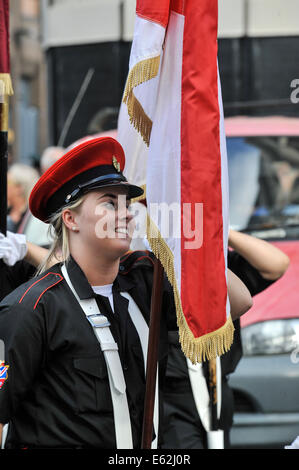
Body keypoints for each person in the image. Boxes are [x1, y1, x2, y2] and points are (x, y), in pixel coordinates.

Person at [0, 137, 252, 449]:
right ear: (70, 218)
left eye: (127, 204)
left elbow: (237, 302)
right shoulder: (33, 308)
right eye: (109, 202)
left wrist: (187, 244)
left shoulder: (145, 281)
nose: (126, 214)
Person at [161, 229, 290, 449]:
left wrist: (219, 227)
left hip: (216, 388)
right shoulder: (149, 264)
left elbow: (276, 264)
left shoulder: (213, 261)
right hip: (172, 396)